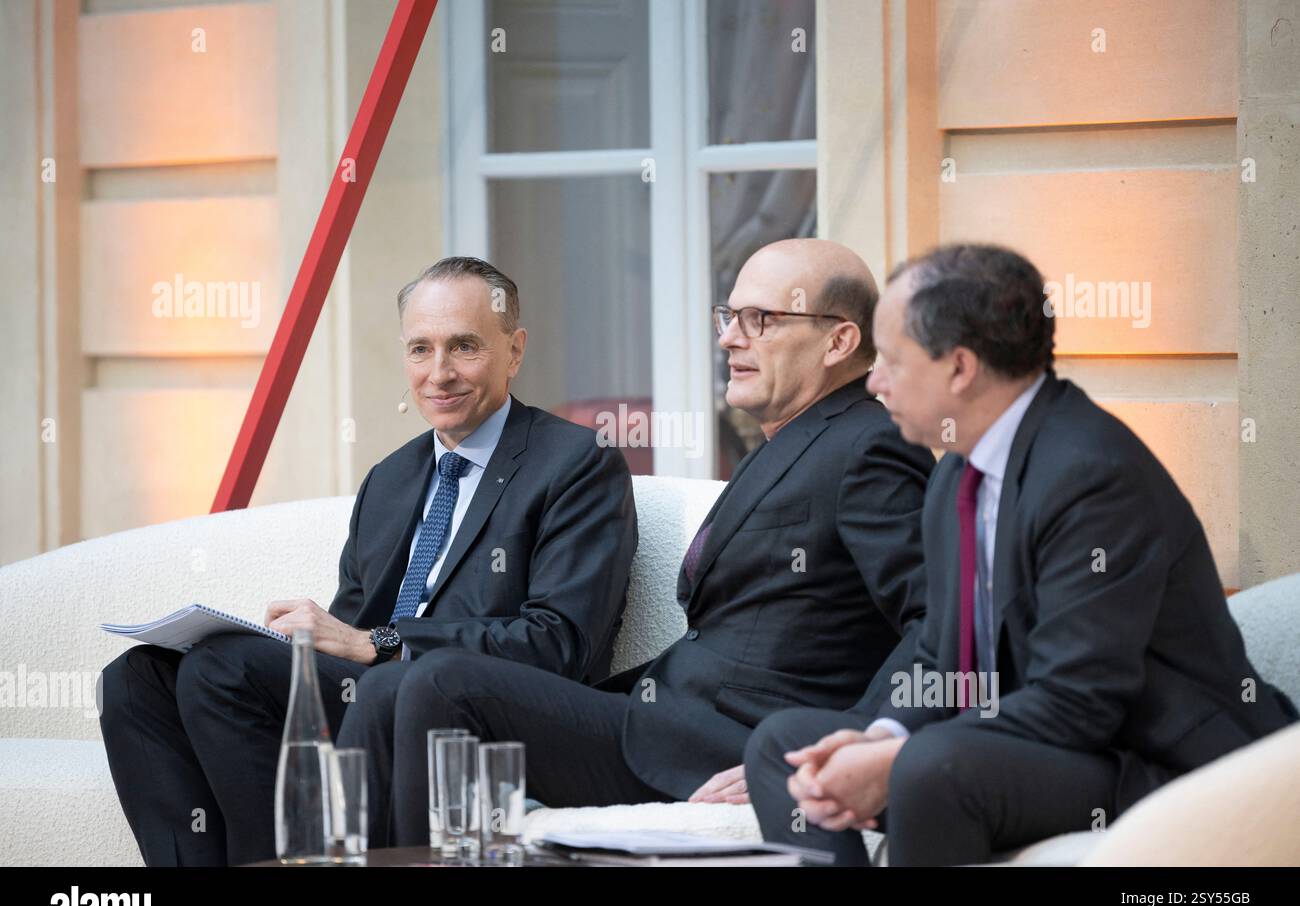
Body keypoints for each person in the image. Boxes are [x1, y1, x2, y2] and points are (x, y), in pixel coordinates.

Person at [339, 237, 934, 847]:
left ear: (839, 341)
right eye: (728, 319)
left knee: (440, 682)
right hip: (665, 722)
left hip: (732, 744)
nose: (729, 338)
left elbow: (940, 623)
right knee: (390, 685)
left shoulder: (869, 446)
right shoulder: (787, 442)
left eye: (761, 321)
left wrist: (855, 744)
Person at [745, 243, 1298, 865]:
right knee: (785, 744)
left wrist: (897, 758)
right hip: (1033, 743)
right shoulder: (958, 472)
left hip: (1153, 761)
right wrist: (882, 734)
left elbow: (1080, 699)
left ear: (959, 368)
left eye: (893, 361)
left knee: (930, 768)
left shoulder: (1091, 474)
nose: (874, 382)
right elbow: (940, 657)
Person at [99, 256, 638, 866]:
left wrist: (382, 642)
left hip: (484, 713)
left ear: (514, 351)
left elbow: (560, 643)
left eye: (464, 347)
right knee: (135, 678)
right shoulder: (391, 478)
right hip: (373, 705)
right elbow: (346, 639)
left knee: (224, 670)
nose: (439, 373)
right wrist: (312, 641)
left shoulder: (575, 463)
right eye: (420, 349)